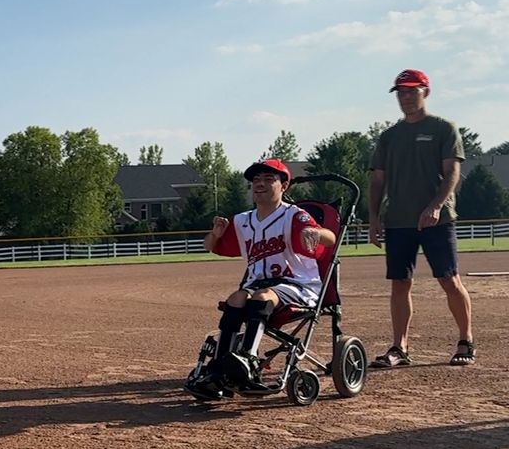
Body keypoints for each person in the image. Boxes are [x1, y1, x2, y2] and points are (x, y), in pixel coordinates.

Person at [186, 159, 336, 398]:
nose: (260, 184)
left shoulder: (294, 215)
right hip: (258, 284)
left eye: (269, 179)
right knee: (236, 298)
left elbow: (330, 238)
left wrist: (315, 233)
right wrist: (215, 235)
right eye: (256, 180)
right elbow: (209, 246)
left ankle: (248, 358)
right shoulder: (243, 220)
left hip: (297, 284)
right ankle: (219, 368)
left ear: (283, 186)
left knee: (261, 295)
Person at [367, 68, 474, 368]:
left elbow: (452, 172)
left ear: (425, 92)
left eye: (412, 91)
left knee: (448, 279)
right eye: (401, 92)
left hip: (437, 220)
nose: (406, 98)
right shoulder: (389, 137)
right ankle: (399, 347)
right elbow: (378, 180)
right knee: (400, 283)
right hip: (399, 219)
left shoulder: (443, 129)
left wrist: (436, 205)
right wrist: (374, 218)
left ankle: (465, 339)